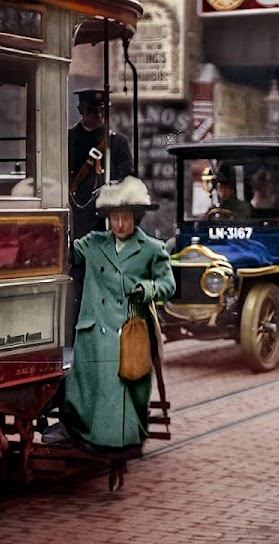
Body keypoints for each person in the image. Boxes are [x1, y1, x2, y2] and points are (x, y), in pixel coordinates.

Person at [61, 176, 175, 484]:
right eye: (114, 218)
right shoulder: (93, 244)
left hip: (130, 332)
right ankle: (94, 442)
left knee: (128, 390)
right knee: (88, 389)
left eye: (125, 218)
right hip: (95, 331)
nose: (120, 224)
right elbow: (65, 253)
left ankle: (121, 450)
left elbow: (168, 284)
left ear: (136, 218)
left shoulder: (152, 249)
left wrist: (146, 288)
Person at [69, 89, 133, 239]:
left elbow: (127, 173)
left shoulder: (117, 142)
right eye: (92, 111)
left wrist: (110, 186)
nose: (98, 116)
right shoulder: (69, 140)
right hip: (78, 211)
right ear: (81, 110)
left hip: (108, 209)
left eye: (102, 111)